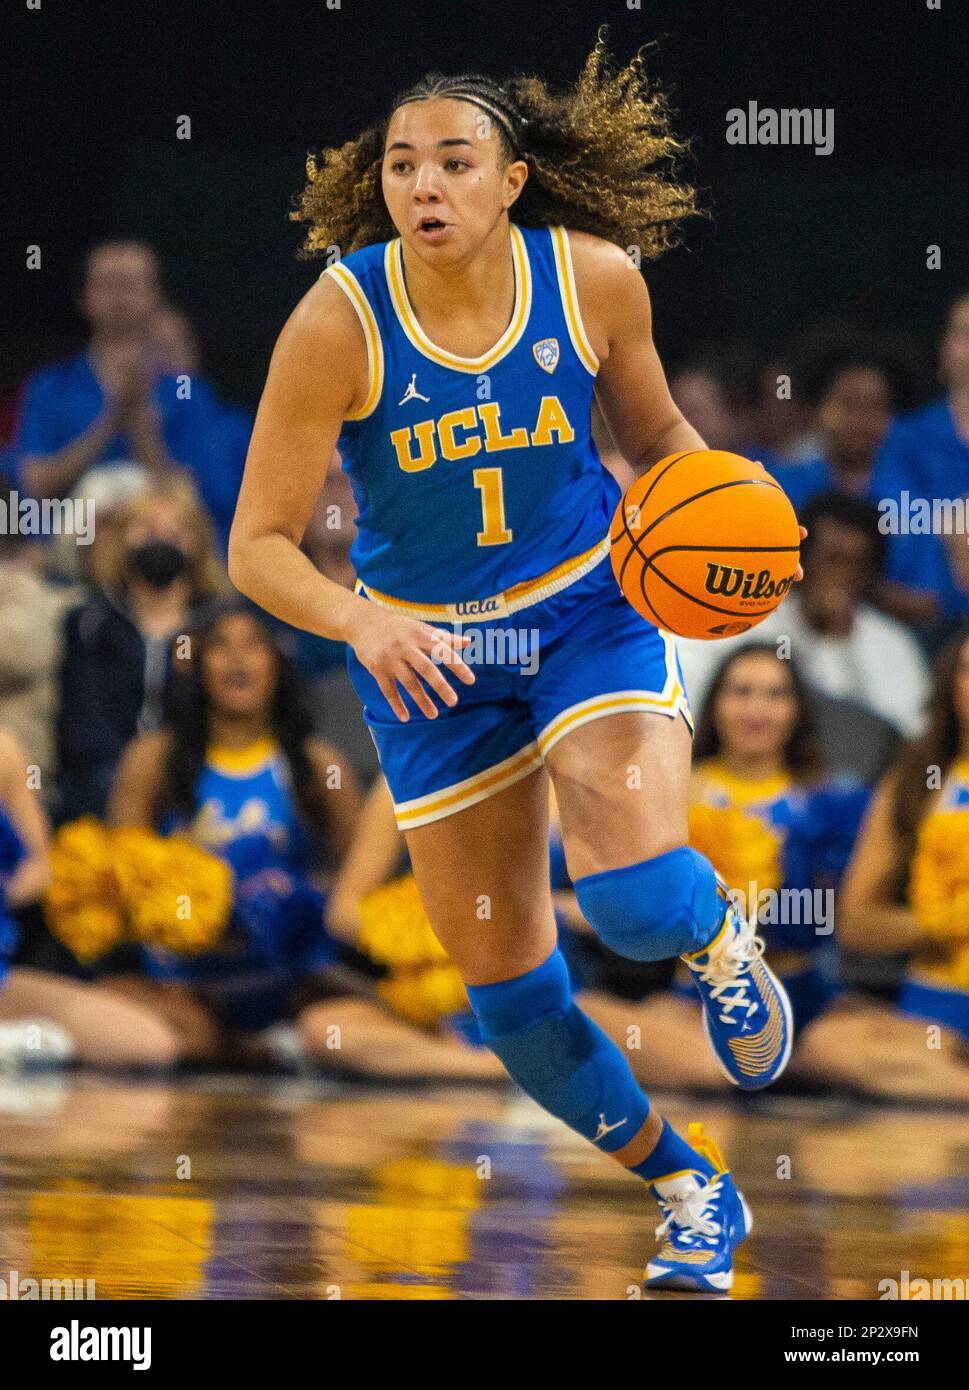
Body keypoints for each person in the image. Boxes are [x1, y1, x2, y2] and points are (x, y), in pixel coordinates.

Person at [228, 41, 807, 1292]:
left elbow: (659, 439)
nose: (423, 184)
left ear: (512, 179)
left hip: (583, 611)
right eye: (400, 164)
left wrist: (727, 514)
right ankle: (691, 1187)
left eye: (454, 160)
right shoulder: (337, 320)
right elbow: (256, 547)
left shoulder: (595, 280)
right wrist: (359, 623)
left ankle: (717, 941)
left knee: (639, 900)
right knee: (509, 1000)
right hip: (426, 655)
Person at [573, 643, 969, 1102]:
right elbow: (617, 901)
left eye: (775, 695)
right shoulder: (672, 794)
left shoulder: (828, 801)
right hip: (697, 996)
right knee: (582, 1009)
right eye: (741, 692)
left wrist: (790, 913)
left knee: (823, 1043)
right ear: (714, 703)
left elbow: (835, 923)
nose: (756, 709)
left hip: (798, 994)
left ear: (798, 710)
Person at [99, 605, 363, 1063]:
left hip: (284, 984)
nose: (237, 659)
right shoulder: (153, 760)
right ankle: (241, 1047)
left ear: (278, 664)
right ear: (197, 665)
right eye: (220, 646)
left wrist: (297, 903)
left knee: (343, 1028)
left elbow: (361, 886)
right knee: (175, 1035)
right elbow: (117, 883)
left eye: (254, 645)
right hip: (180, 984)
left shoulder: (318, 765)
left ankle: (267, 1043)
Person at [9, 242, 234, 529]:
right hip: (65, 558)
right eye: (107, 285)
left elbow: (193, 495)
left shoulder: (187, 391)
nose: (119, 298)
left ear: (156, 295)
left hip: (159, 551)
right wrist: (110, 422)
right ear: (84, 297)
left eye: (131, 285)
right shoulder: (49, 386)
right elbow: (35, 487)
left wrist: (141, 425)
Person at [677, 491, 930, 739]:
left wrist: (843, 644)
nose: (840, 576)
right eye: (831, 559)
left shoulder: (892, 643)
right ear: (801, 560)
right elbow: (691, 697)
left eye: (855, 564)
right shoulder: (751, 617)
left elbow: (911, 733)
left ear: (872, 576)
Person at [838, 627, 969, 1070]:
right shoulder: (917, 781)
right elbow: (856, 925)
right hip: (934, 1012)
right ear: (951, 684)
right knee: (825, 1043)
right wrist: (947, 920)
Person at [56, 477, 224, 821]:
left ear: (198, 544)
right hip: (100, 785)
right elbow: (80, 725)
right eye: (146, 527)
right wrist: (133, 777)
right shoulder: (88, 622)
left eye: (176, 530)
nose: (160, 539)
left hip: (195, 781)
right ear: (122, 540)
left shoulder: (217, 629)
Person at [873, 289, 969, 634]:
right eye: (965, 333)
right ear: (945, 348)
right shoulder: (904, 439)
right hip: (924, 625)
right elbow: (895, 525)